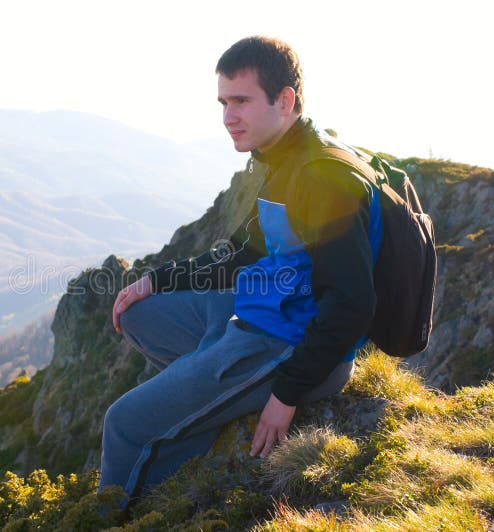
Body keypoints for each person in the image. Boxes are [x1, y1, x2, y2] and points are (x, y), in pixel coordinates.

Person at [99, 35, 382, 503]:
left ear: (284, 100)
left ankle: (121, 512)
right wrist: (156, 281)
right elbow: (241, 252)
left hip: (291, 344)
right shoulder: (286, 158)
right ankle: (207, 402)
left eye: (242, 101)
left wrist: (286, 395)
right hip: (266, 311)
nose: (228, 117)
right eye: (224, 103)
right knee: (139, 314)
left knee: (125, 423)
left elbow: (353, 303)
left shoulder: (323, 178)